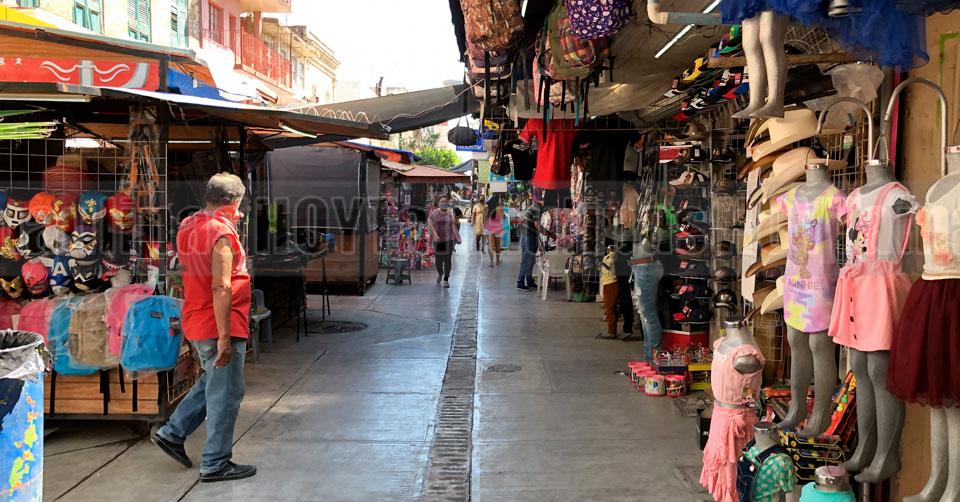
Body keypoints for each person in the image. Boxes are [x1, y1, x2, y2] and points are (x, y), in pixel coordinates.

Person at [152, 173, 256, 482]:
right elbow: (222, 287)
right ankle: (215, 463)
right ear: (235, 202)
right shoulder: (221, 235)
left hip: (196, 318)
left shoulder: (188, 225)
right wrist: (225, 336)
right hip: (219, 323)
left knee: (212, 381)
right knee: (227, 394)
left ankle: (173, 432)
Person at [428, 197, 459, 287]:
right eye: (442, 201)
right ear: (439, 203)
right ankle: (440, 273)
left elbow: (454, 223)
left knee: (447, 259)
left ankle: (446, 279)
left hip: (448, 239)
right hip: (438, 240)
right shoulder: (435, 212)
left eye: (445, 202)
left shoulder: (450, 212)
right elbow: (430, 222)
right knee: (438, 260)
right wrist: (434, 234)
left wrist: (455, 224)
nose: (443, 203)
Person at [516, 194, 542, 290]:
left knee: (531, 260)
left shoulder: (537, 207)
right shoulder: (537, 207)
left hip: (530, 235)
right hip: (527, 236)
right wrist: (547, 233)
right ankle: (521, 282)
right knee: (527, 260)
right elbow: (537, 225)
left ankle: (529, 280)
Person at [598, 245, 619, 339]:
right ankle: (611, 330)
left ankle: (612, 331)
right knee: (609, 307)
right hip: (608, 283)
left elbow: (610, 266)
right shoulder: (609, 256)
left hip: (611, 283)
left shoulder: (612, 256)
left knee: (610, 308)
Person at [484, 196, 505, 267]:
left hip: (489, 228)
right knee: (497, 245)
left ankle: (491, 262)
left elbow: (485, 217)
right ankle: (497, 261)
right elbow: (504, 217)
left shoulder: (487, 208)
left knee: (490, 245)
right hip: (498, 228)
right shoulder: (500, 208)